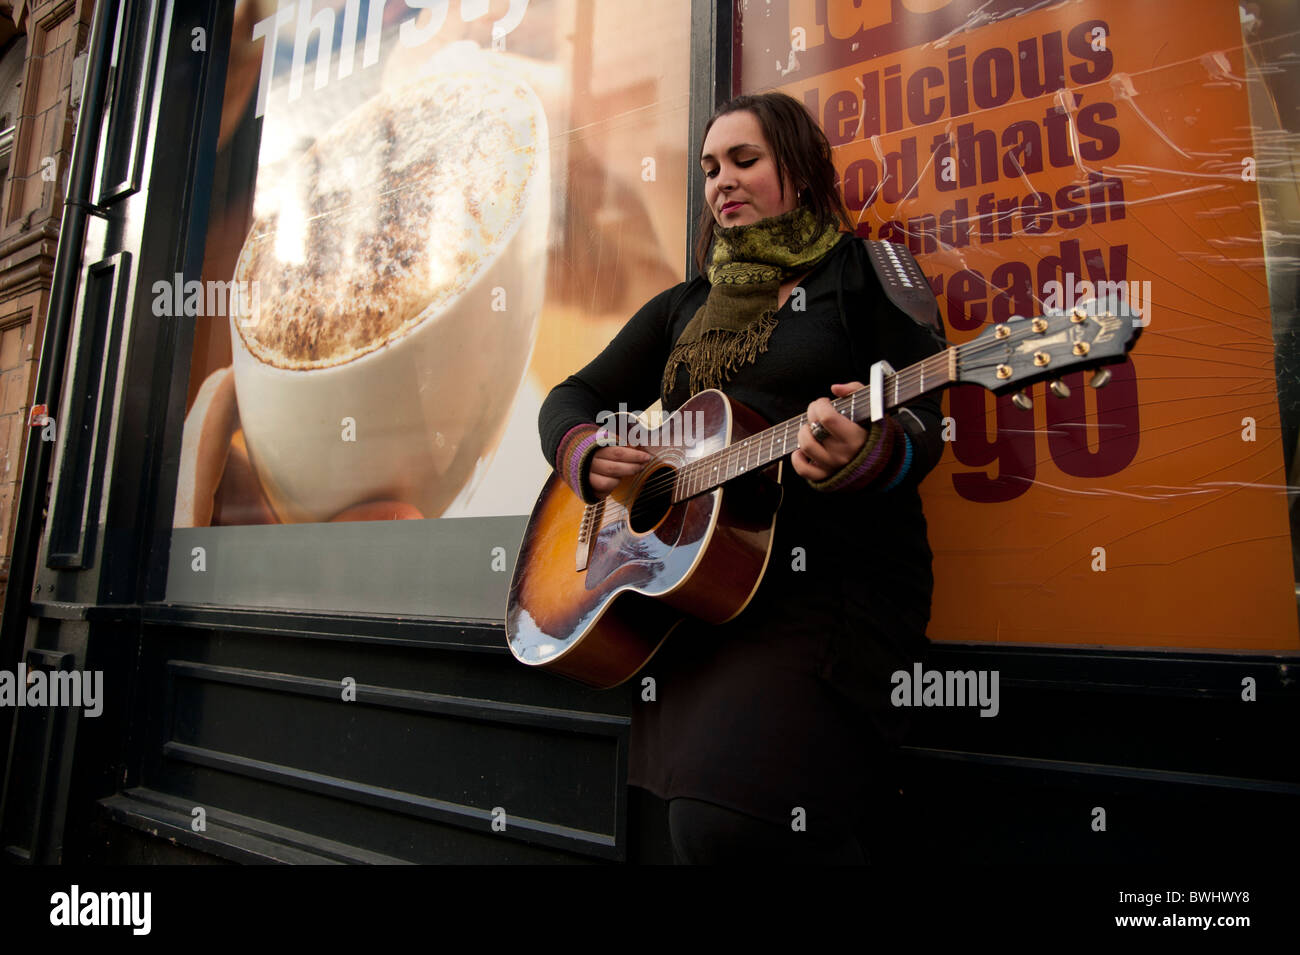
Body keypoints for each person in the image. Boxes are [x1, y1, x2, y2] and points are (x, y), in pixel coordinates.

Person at [537, 91, 947, 864]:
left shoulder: (862, 274)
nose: (721, 179)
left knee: (730, 821)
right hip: (698, 593)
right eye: (709, 167)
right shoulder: (685, 306)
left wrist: (870, 453)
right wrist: (584, 451)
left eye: (744, 160)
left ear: (796, 166)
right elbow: (571, 397)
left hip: (830, 592)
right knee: (678, 829)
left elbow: (930, 419)